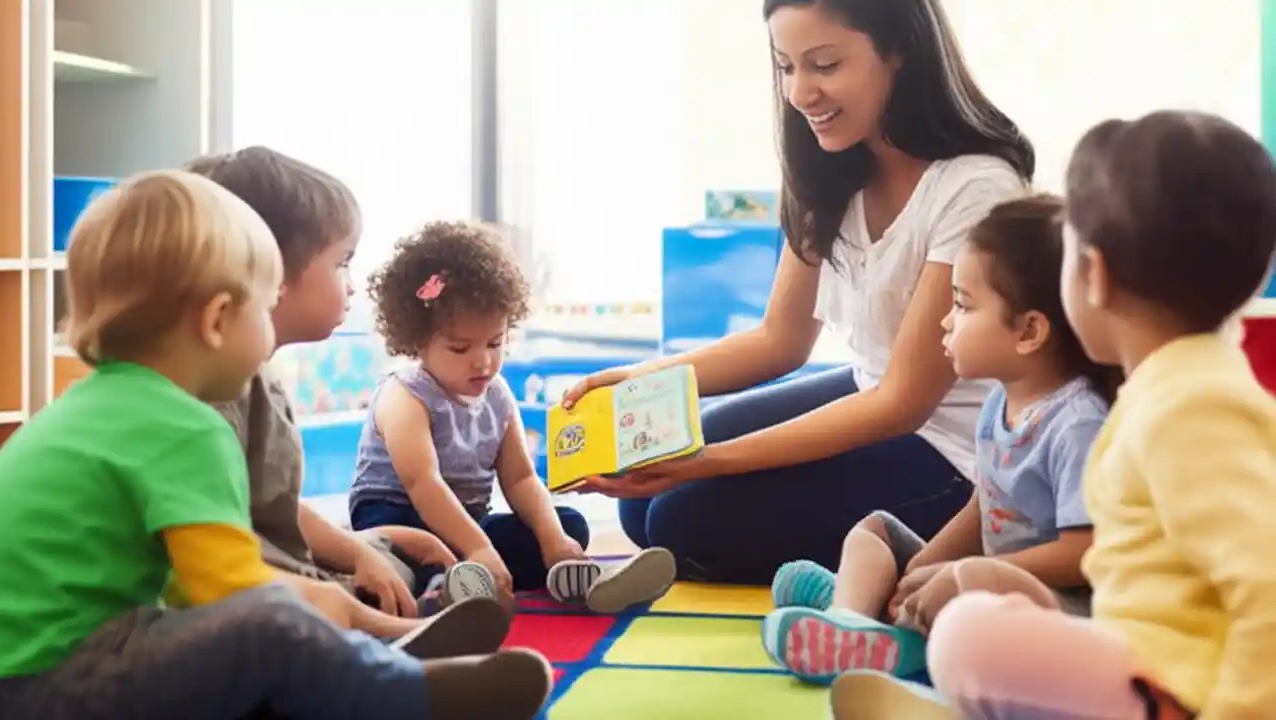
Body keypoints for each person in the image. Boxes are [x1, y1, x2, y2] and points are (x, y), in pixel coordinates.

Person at [0, 170, 552, 720]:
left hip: (51, 663)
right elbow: (229, 589)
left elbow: (183, 580)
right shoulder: (180, 424)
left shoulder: (91, 405)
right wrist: (327, 607)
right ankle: (413, 695)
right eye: (264, 308)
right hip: (55, 682)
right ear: (217, 321)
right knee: (271, 627)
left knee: (269, 620)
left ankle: (373, 655)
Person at [566, 0, 1033, 584]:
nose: (800, 93)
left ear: (900, 53)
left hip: (956, 455)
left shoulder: (975, 186)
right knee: (637, 496)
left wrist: (706, 464)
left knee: (682, 520)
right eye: (786, 67)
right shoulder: (833, 167)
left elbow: (902, 402)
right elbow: (778, 342)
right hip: (873, 392)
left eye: (825, 64)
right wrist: (642, 380)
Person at [927, 111, 1276, 719]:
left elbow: (1268, 581)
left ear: (1095, 275)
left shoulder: (1191, 405)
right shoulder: (1173, 384)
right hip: (1144, 656)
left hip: (1176, 689)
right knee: (988, 597)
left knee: (968, 636)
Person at [760, 195, 1115, 690]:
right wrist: (924, 568)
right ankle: (852, 619)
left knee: (972, 616)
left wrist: (971, 574)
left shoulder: (1076, 423)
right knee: (875, 531)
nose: (946, 321)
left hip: (1057, 607)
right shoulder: (1000, 402)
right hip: (982, 579)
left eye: (964, 305)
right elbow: (984, 505)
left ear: (1030, 331)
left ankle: (882, 629)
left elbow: (1087, 550)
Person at [187, 146, 491, 641]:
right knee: (328, 609)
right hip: (237, 588)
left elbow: (273, 509)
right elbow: (217, 552)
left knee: (393, 564)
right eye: (342, 263)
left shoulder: (259, 379)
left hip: (280, 570)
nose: (352, 287)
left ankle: (402, 609)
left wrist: (363, 548)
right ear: (272, 274)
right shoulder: (208, 395)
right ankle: (399, 643)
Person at [349, 222, 677, 613]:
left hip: (467, 526)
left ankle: (554, 582)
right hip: (400, 520)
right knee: (401, 559)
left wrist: (552, 538)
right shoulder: (405, 396)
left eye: (495, 342)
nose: (483, 361)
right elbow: (424, 484)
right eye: (460, 348)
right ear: (417, 341)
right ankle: (442, 591)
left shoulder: (498, 396)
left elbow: (521, 478)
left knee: (569, 525)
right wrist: (478, 548)